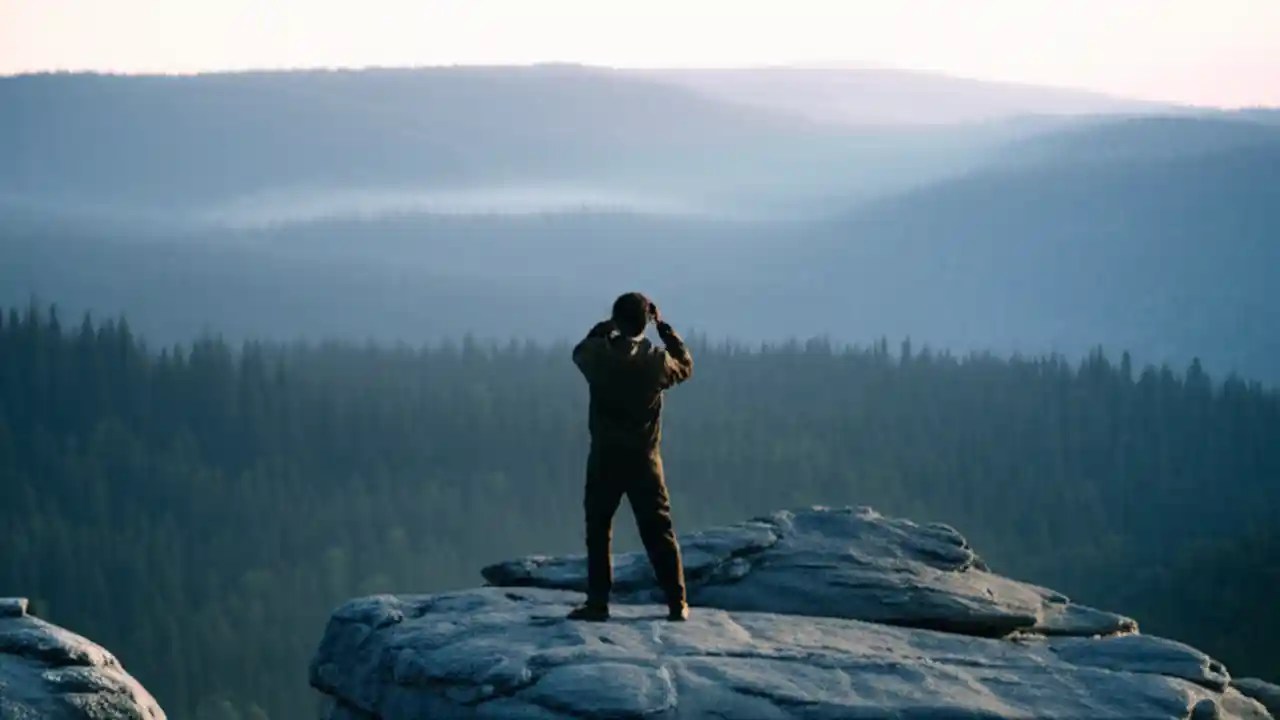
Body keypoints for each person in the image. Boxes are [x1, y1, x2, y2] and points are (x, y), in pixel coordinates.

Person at [567, 292, 694, 622]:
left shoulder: (599, 356)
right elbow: (685, 365)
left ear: (617, 320)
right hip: (645, 461)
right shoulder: (656, 361)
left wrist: (605, 326)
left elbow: (579, 351)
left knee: (598, 530)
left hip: (605, 457)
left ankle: (598, 603)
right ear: (645, 322)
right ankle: (677, 602)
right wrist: (664, 328)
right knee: (659, 531)